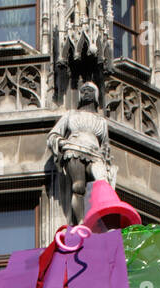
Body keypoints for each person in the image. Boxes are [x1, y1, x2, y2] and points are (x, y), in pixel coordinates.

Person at [48, 81, 112, 223]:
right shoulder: (71, 115)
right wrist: (61, 142)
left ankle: (105, 220)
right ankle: (81, 222)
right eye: (83, 91)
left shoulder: (102, 122)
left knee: (102, 182)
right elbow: (53, 134)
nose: (86, 93)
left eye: (90, 90)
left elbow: (106, 146)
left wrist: (106, 160)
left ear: (96, 95)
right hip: (74, 150)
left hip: (95, 155)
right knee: (78, 186)